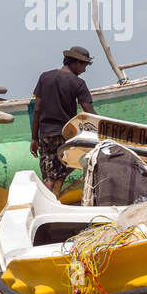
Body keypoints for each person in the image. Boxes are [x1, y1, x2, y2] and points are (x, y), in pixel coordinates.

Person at [31, 46, 97, 195]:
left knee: (48, 178)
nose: (84, 70)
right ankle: (57, 185)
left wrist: (34, 138)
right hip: (66, 135)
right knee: (79, 160)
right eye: (84, 66)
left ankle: (47, 202)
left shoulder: (45, 77)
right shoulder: (78, 83)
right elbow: (88, 110)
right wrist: (102, 127)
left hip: (46, 135)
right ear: (76, 62)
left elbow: (37, 109)